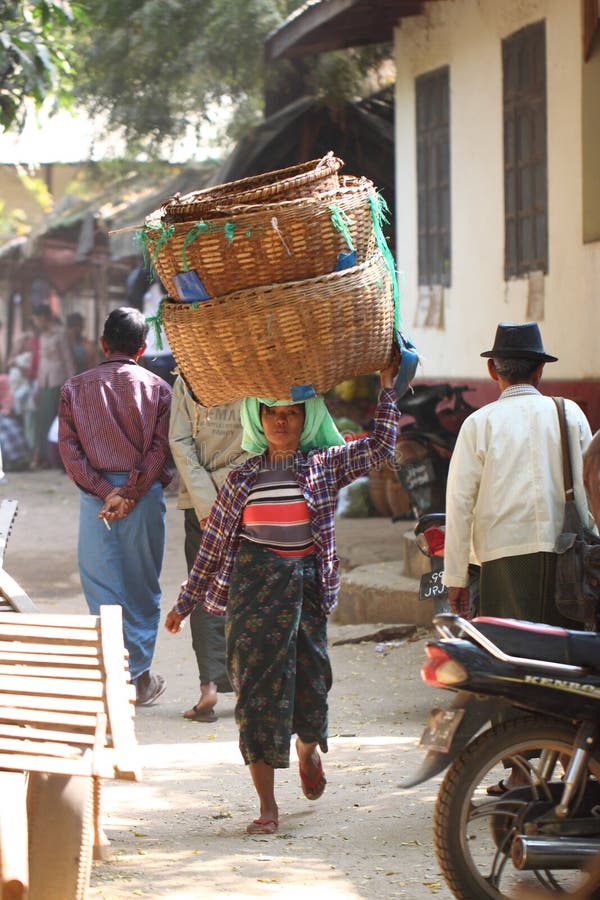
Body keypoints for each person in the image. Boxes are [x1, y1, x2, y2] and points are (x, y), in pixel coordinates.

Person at [165, 355, 400, 835]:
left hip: (306, 596)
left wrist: (388, 389)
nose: (280, 421)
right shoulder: (242, 479)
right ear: (257, 419)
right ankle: (267, 805)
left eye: (290, 413)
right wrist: (184, 603)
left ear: (305, 418)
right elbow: (212, 548)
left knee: (312, 689)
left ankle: (309, 748)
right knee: (255, 698)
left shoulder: (324, 465)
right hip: (254, 599)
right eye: (270, 413)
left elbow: (379, 447)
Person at [58, 307, 173, 707]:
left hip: (96, 499)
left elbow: (69, 450)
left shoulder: (73, 388)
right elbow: (161, 449)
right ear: (142, 349)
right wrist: (131, 492)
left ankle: (114, 676)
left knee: (102, 587)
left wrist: (105, 490)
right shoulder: (159, 388)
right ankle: (138, 676)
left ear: (103, 344)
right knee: (142, 587)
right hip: (143, 498)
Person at [444, 322, 593, 624]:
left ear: (492, 370)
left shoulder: (478, 423)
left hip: (501, 558)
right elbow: (591, 489)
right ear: (540, 369)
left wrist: (456, 576)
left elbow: (459, 504)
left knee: (509, 654)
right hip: (567, 556)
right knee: (566, 654)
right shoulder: (569, 413)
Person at [168, 375, 250, 721]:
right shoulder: (256, 371)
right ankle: (249, 687)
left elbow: (179, 441)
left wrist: (206, 500)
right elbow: (261, 441)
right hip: (247, 500)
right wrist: (230, 494)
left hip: (200, 506)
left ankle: (210, 690)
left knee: (202, 589)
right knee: (248, 592)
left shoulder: (189, 374)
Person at [32, 304, 75, 467]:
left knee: (56, 420)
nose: (36, 322)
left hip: (58, 380)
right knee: (43, 419)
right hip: (44, 380)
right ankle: (44, 457)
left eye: (37, 318)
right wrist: (37, 384)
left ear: (43, 317)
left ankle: (57, 458)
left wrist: (71, 383)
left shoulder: (61, 332)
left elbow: (67, 358)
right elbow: (41, 361)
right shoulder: (41, 335)